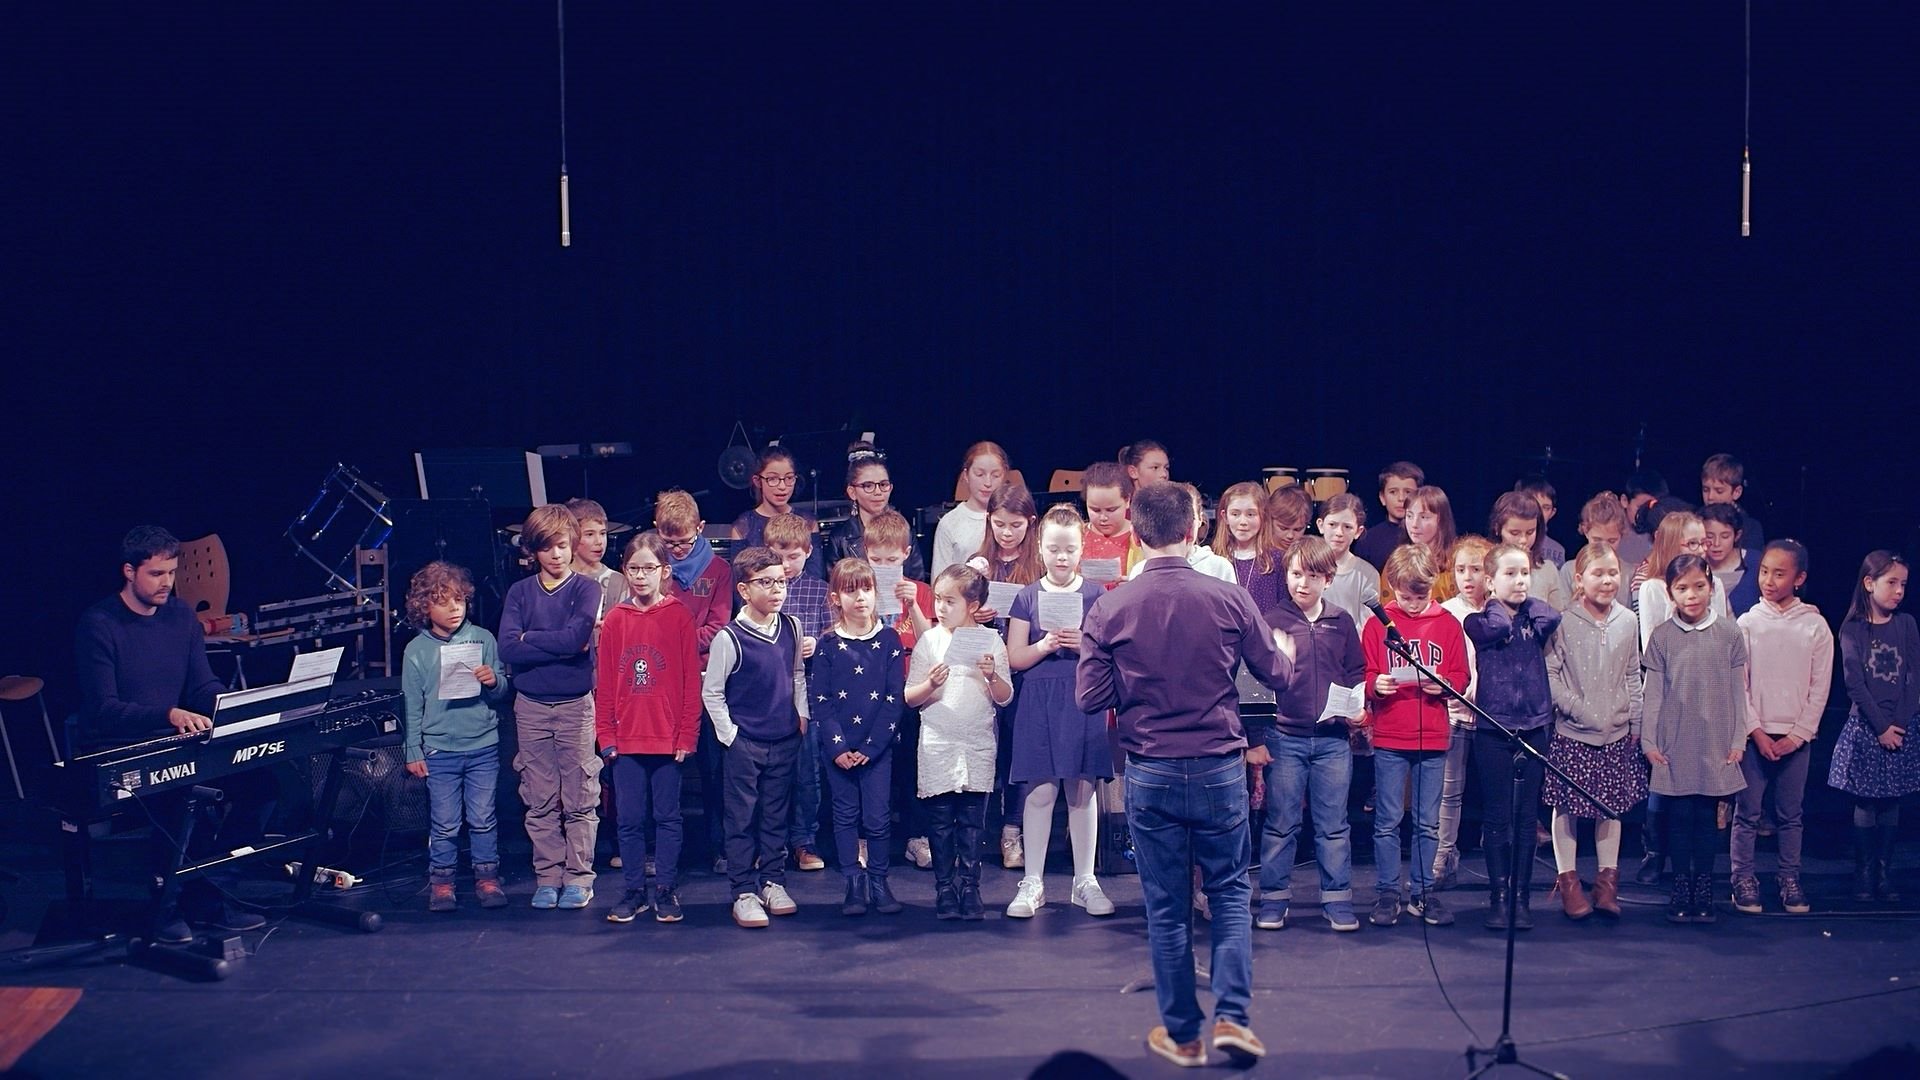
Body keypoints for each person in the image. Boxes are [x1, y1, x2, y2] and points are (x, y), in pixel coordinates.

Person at [1076, 482, 1296, 1068]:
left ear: (1138, 533)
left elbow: (1090, 698)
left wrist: (1137, 680)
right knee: (1227, 896)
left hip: (1151, 770)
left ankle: (1184, 1035)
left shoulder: (1111, 606)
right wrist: (1283, 651)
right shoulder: (1227, 596)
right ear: (1195, 526)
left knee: (1167, 905)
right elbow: (1276, 674)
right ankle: (1233, 1020)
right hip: (1220, 765)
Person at [74, 526, 271, 942]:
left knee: (264, 783)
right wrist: (169, 713)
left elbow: (201, 685)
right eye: (156, 574)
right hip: (123, 745)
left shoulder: (181, 615)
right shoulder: (99, 623)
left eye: (171, 573)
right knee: (185, 798)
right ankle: (168, 904)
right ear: (129, 571)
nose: (166, 583)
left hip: (177, 736)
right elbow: (103, 710)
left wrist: (230, 704)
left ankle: (209, 888)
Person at [1004, 505, 1113, 919]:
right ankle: (1033, 881)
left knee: (1082, 789)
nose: (1061, 557)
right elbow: (1014, 657)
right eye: (1053, 549)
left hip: (1081, 697)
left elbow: (1106, 653)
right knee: (1040, 790)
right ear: (1041, 548)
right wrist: (1045, 645)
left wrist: (1081, 643)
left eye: (1069, 549)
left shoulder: (1095, 595)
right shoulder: (1027, 596)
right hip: (1038, 698)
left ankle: (1084, 880)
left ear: (1082, 548)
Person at [1253, 537, 1364, 932]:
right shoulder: (1272, 621)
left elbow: (1355, 671)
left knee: (1333, 824)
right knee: (1281, 822)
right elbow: (1258, 680)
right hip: (1286, 736)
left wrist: (1357, 707)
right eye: (1296, 574)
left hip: (1333, 739)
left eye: (1313, 576)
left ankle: (1337, 901)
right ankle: (1274, 899)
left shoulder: (1340, 621)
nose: (1303, 583)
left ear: (1328, 580)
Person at [499, 504, 603, 911]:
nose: (556, 555)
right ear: (534, 551)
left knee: (579, 795)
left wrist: (531, 640)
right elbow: (508, 647)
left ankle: (579, 877)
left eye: (562, 545)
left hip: (576, 705)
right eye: (547, 548)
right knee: (539, 796)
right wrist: (546, 642)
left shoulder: (585, 588)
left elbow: (576, 640)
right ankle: (548, 876)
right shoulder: (519, 592)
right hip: (531, 706)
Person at [594, 532, 701, 925]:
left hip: (668, 739)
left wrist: (686, 735)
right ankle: (634, 890)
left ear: (664, 571)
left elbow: (692, 681)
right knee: (629, 820)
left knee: (668, 817)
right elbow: (605, 683)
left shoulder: (677, 616)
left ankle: (666, 888)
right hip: (625, 741)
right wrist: (606, 737)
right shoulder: (617, 620)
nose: (640, 576)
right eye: (633, 569)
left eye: (648, 569)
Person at [1362, 545, 1471, 928]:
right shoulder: (1379, 622)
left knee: (1428, 822)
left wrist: (1445, 685)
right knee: (1388, 820)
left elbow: (1461, 675)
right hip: (1392, 734)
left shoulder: (1447, 624)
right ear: (1392, 587)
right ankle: (1388, 891)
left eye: (1420, 596)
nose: (1411, 605)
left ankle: (1423, 892)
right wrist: (1378, 684)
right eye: (1404, 596)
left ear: (1432, 588)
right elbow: (1367, 671)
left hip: (1433, 736)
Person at [704, 546, 810, 928]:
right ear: (745, 590)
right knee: (742, 817)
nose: (777, 590)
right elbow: (712, 692)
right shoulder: (729, 638)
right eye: (766, 583)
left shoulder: (792, 627)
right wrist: (731, 735)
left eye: (781, 581)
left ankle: (772, 880)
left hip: (783, 738)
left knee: (776, 815)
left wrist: (801, 714)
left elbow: (797, 673)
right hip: (745, 743)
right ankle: (743, 890)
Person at [1642, 553, 1749, 924]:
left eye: (1699, 586)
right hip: (1674, 740)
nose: (1692, 595)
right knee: (1678, 817)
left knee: (1707, 818)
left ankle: (1704, 885)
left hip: (1715, 740)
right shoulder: (1662, 637)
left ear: (1711, 587)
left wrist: (1738, 739)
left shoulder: (1730, 634)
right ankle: (1681, 885)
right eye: (1682, 588)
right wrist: (1649, 742)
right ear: (1670, 593)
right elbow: (1652, 693)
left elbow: (1739, 692)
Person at [1541, 542, 1645, 920]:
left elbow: (1633, 674)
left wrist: (1635, 718)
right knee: (1566, 808)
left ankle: (1606, 883)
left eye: (1613, 573)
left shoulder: (1628, 621)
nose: (1607, 581)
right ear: (1580, 579)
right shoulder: (1563, 621)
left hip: (1616, 734)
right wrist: (1579, 710)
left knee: (1610, 807)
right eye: (1598, 574)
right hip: (1573, 732)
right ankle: (1568, 882)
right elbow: (1550, 677)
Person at [401, 561, 511, 913]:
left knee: (482, 817)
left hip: (481, 745)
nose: (454, 609)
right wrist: (413, 749)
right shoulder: (416, 651)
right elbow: (412, 705)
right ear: (424, 607)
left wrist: (492, 681)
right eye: (444, 602)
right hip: (440, 750)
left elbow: (501, 690)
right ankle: (442, 882)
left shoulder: (483, 638)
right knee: (445, 822)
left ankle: (487, 876)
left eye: (459, 601)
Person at [1464, 541, 1563, 931]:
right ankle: (1499, 895)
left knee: (1526, 818)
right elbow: (1497, 627)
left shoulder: (1535, 620)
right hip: (1494, 729)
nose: (1520, 581)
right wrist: (1497, 605)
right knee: (1497, 817)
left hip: (1534, 727)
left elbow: (1552, 615)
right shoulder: (1479, 621)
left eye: (1525, 573)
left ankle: (1522, 897)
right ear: (1489, 581)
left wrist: (1528, 601)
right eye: (1510, 573)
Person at [906, 565, 1014, 921]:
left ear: (972, 604)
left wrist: (991, 675)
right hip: (939, 741)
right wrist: (931, 684)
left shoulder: (990, 641)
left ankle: (970, 886)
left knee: (972, 821)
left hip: (976, 742)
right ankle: (944, 888)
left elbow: (1004, 696)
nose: (940, 607)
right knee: (939, 821)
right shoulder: (930, 640)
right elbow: (910, 697)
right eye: (937, 599)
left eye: (949, 600)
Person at [1732, 539, 1831, 915]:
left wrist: (1797, 735)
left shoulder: (1815, 627)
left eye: (1779, 573)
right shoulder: (1748, 624)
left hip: (1796, 739)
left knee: (1791, 814)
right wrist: (1755, 730)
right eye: (1764, 571)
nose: (1769, 580)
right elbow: (1738, 684)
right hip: (1755, 735)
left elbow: (1820, 688)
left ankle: (1789, 876)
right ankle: (1742, 877)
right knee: (1748, 813)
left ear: (1799, 578)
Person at [811, 558, 907, 916]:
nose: (860, 598)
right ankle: (853, 881)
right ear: (836, 598)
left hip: (876, 750)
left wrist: (871, 748)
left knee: (878, 817)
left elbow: (893, 699)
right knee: (845, 815)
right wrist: (838, 748)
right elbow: (821, 702)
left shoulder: (889, 640)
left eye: (866, 589)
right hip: (838, 750)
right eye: (851, 591)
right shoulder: (827, 644)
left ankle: (879, 881)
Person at [1827, 551, 1916, 903]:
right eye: (1891, 582)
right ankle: (1863, 871)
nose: (1898, 591)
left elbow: (1913, 676)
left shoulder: (1906, 624)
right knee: (1867, 800)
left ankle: (1883, 872)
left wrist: (1901, 723)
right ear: (1869, 583)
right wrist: (1881, 727)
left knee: (1891, 799)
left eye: (1903, 584)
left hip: (1902, 726)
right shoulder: (1853, 629)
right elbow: (1855, 684)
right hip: (1868, 726)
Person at [964, 482, 1041, 869]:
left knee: (1017, 751)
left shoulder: (1039, 564)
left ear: (1030, 523)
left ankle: (1012, 832)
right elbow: (955, 616)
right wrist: (974, 613)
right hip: (984, 667)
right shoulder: (978, 563)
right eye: (999, 525)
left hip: (1025, 669)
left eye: (1014, 525)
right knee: (984, 747)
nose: (1006, 533)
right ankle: (975, 831)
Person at [656, 488, 734, 870]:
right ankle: (664, 850)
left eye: (685, 541)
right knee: (662, 766)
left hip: (705, 681)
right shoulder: (654, 567)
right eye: (670, 543)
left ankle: (720, 847)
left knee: (713, 769)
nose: (679, 549)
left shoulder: (718, 570)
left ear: (700, 529)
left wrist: (673, 639)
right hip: (662, 682)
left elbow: (719, 628)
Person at [864, 508, 936, 869]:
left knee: (912, 766)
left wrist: (913, 604)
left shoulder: (922, 592)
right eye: (876, 559)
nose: (883, 565)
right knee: (873, 765)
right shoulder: (861, 590)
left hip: (912, 692)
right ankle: (867, 838)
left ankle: (916, 836)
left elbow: (931, 642)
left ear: (906, 555)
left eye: (891, 559)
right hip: (870, 693)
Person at [766, 512, 830, 873]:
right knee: (772, 773)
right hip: (769, 693)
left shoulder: (819, 590)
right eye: (779, 556)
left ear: (807, 551)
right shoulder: (762, 588)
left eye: (793, 556)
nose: (786, 565)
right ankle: (771, 843)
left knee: (808, 771)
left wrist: (815, 643)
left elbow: (834, 634)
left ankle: (804, 840)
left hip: (806, 692)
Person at [1433, 535, 1491, 889]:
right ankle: (1443, 854)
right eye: (1460, 569)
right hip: (1455, 713)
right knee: (1449, 790)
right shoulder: (1447, 612)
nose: (1468, 577)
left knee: (1494, 791)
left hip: (1491, 717)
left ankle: (1504, 857)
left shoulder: (1499, 611)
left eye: (1477, 569)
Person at [823, 442, 927, 582]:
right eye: (868, 486)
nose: (878, 492)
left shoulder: (905, 530)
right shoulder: (840, 539)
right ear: (852, 492)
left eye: (883, 485)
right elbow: (835, 586)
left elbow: (917, 581)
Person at [1636, 511, 1729, 646]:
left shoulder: (1715, 584)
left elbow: (1721, 639)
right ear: (1670, 546)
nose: (1701, 550)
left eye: (1703, 543)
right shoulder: (1652, 588)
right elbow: (1651, 648)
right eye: (1692, 543)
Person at [731, 447, 823, 577]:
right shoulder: (744, 527)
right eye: (773, 479)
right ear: (758, 481)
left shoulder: (808, 522)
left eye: (789, 478)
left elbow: (816, 575)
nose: (782, 486)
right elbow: (739, 580)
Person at [931, 441, 1009, 576]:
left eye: (996, 475)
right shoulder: (950, 523)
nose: (988, 483)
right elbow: (939, 581)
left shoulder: (1014, 519)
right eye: (979, 474)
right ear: (966, 475)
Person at [1491, 490, 1570, 612]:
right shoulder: (1485, 566)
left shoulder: (1547, 570)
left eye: (1530, 532)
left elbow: (1558, 616)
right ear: (1497, 529)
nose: (1523, 540)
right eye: (1515, 533)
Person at [1382, 484, 1458, 606]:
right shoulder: (1396, 561)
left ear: (1441, 520)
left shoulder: (1456, 562)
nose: (1414, 524)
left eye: (1424, 517)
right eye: (1410, 516)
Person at [1318, 492, 1381, 637]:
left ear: (1358, 531)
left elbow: (1367, 622)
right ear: (1321, 525)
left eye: (1347, 527)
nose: (1339, 532)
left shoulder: (1367, 574)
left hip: (1351, 650)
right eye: (1332, 525)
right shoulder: (1306, 566)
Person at [1215, 482, 1283, 612]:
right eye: (1235, 514)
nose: (1243, 522)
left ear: (1262, 516)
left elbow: (1284, 607)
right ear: (1225, 517)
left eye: (1250, 514)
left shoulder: (1276, 559)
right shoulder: (1216, 558)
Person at [1353, 461, 1424, 571]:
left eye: (1408, 492)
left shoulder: (1428, 535)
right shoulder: (1368, 540)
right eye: (1393, 492)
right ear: (1382, 498)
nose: (1401, 498)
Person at [1559, 492, 1629, 600]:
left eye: (1612, 541)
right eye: (1597, 540)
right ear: (1585, 531)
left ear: (1622, 535)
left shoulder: (1630, 574)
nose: (1604, 548)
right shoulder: (1569, 571)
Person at [1079, 460, 1135, 585]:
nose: (1103, 517)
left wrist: (1135, 587)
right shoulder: (1077, 535)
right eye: (1095, 510)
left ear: (1127, 501)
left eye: (1111, 510)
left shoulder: (1141, 539)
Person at [1700, 502, 1761, 615]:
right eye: (1709, 536)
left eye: (1725, 536)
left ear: (1737, 536)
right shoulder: (1693, 565)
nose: (1716, 543)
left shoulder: (1756, 562)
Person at [1700, 452, 1764, 554]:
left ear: (1736, 492)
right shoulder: (1694, 522)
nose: (1710, 497)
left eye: (1719, 491)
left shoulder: (1751, 528)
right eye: (1706, 490)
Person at [1515, 477, 1565, 567]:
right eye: (1533, 504)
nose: (1539, 512)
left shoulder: (1558, 550)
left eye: (1546, 508)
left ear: (1552, 513)